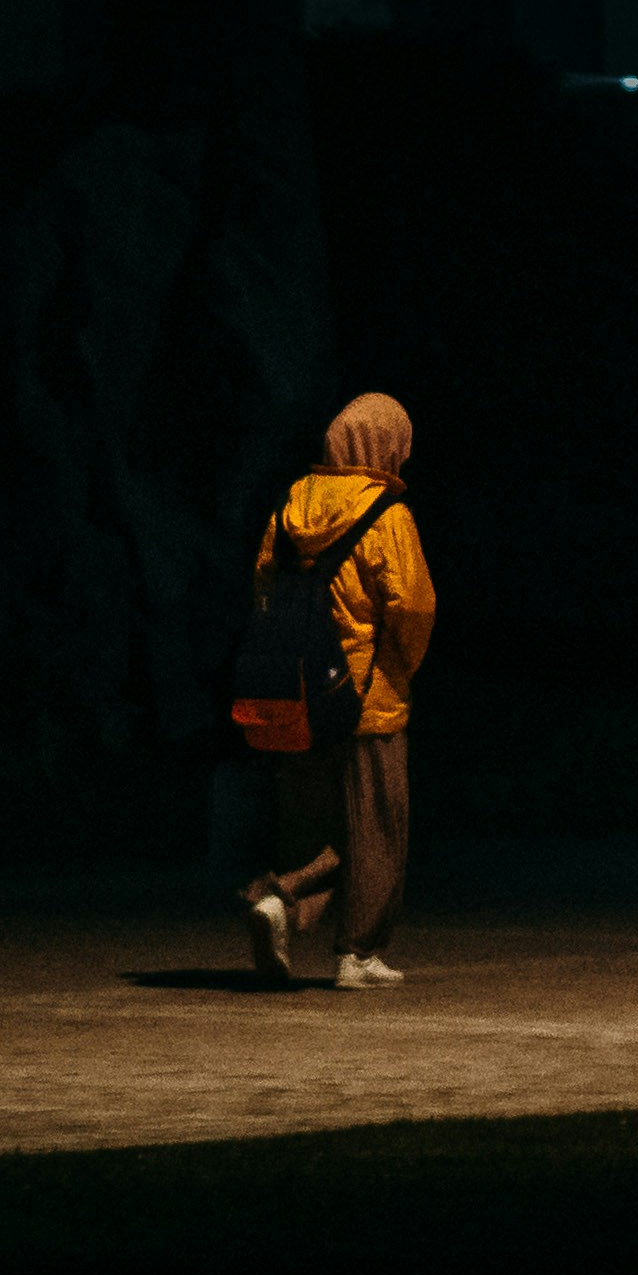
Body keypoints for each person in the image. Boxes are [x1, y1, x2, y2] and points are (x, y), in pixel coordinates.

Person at [241, 392, 436, 987]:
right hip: (367, 697)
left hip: (299, 696)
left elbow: (263, 588)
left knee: (310, 823)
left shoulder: (291, 505)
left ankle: (280, 904)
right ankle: (358, 953)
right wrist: (397, 672)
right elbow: (412, 607)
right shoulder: (389, 514)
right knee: (378, 825)